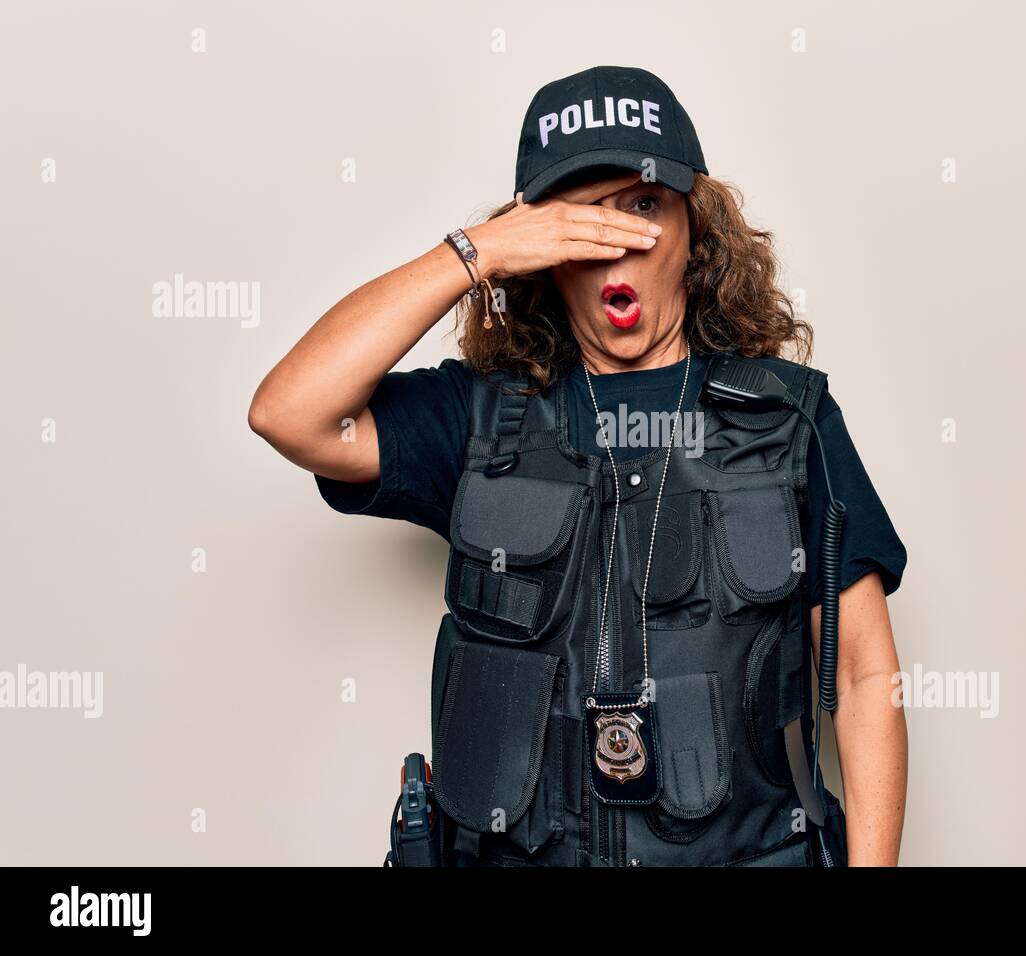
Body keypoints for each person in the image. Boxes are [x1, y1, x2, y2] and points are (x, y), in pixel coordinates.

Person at [249, 65, 908, 866]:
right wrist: (476, 252)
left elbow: (867, 675)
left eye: (643, 206)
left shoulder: (788, 420)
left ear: (696, 233)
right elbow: (289, 412)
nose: (617, 242)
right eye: (579, 219)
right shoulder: (479, 418)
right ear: (542, 248)